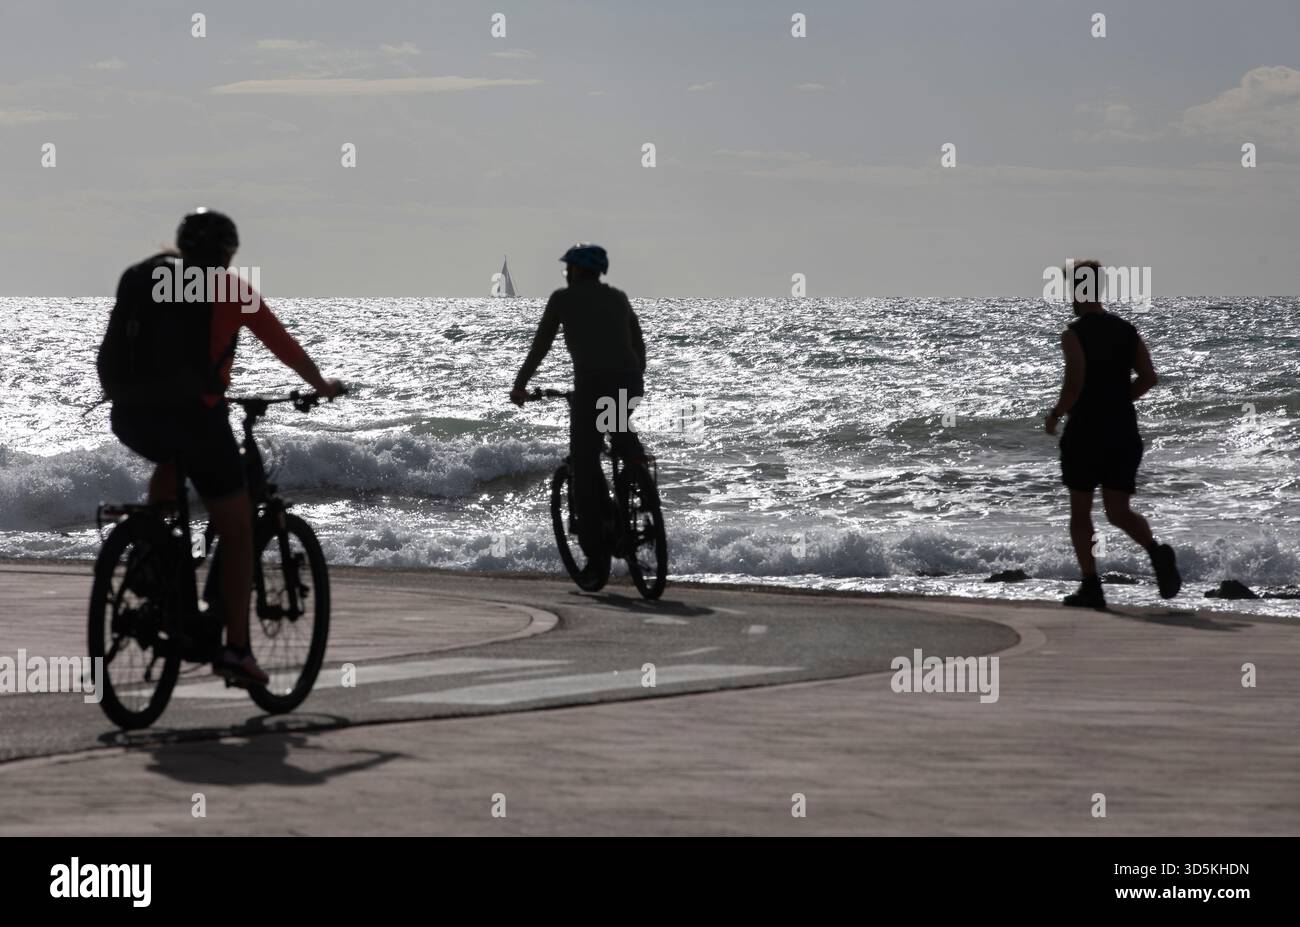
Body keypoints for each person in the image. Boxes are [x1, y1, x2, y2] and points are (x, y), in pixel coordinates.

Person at [98, 208, 344, 684]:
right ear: (229, 254)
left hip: (131, 415)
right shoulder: (231, 290)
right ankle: (235, 651)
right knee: (237, 533)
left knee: (172, 459)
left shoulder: (146, 277)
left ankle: (151, 555)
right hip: (196, 418)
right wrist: (322, 384)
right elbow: (285, 346)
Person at [1045, 259, 1180, 608]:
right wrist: (1119, 400)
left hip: (1086, 433)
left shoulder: (1073, 334)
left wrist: (1057, 413)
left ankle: (1092, 585)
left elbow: (1074, 382)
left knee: (1081, 512)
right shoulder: (1126, 330)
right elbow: (1149, 377)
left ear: (1076, 290)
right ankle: (1156, 550)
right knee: (1118, 511)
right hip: (1122, 431)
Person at [509, 244, 647, 580]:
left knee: (584, 464)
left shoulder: (562, 299)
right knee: (621, 432)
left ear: (577, 271)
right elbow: (638, 341)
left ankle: (596, 558)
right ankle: (638, 477)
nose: (566, 274)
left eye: (568, 269)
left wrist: (520, 385)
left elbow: (540, 345)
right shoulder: (618, 297)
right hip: (627, 383)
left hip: (592, 388)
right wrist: (634, 376)